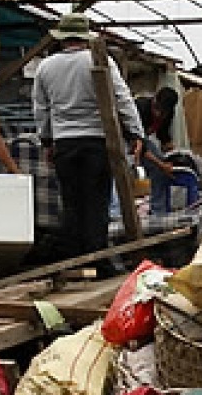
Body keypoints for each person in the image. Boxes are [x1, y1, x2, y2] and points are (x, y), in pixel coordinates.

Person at [33, 13, 143, 256]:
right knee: (97, 201)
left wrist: (46, 140)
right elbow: (122, 98)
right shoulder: (99, 60)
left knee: (71, 202)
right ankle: (98, 256)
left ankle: (75, 257)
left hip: (63, 143)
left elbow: (41, 109)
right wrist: (136, 133)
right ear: (85, 36)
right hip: (96, 140)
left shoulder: (45, 67)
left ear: (62, 38)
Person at [135, 87, 184, 214]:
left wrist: (173, 155)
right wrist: (161, 164)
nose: (158, 114)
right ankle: (116, 213)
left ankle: (158, 211)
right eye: (156, 109)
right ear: (154, 99)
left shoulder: (168, 113)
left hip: (142, 141)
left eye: (162, 112)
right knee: (124, 168)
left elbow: (163, 136)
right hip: (127, 138)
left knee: (161, 169)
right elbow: (140, 147)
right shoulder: (141, 108)